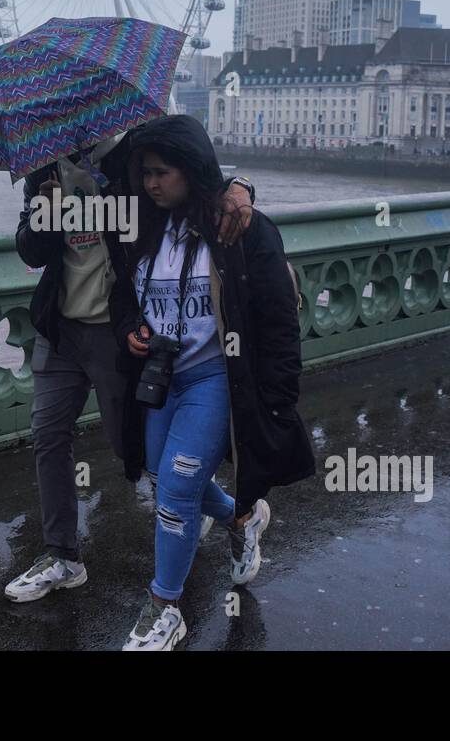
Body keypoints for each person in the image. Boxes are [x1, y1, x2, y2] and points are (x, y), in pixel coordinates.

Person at [4, 129, 255, 602]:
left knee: (136, 454)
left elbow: (198, 174)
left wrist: (241, 186)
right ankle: (63, 557)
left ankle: (230, 512)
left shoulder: (132, 156)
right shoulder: (44, 166)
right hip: (60, 326)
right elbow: (29, 251)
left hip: (117, 330)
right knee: (48, 435)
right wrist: (45, 215)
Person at [108, 115, 315, 650]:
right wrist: (134, 328)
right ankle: (242, 517)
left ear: (192, 168)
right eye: (145, 173)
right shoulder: (144, 227)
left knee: (176, 493)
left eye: (162, 172)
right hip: (162, 374)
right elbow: (127, 297)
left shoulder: (239, 228)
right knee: (160, 480)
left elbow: (278, 321)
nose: (152, 184)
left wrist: (278, 400)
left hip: (216, 376)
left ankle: (164, 610)